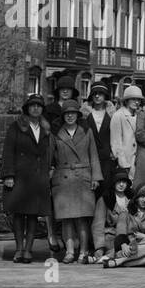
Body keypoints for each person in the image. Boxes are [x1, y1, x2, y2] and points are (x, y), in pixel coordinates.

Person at [1, 93, 54, 264]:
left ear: (42, 109)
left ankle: (28, 250)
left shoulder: (46, 129)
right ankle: (19, 249)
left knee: (33, 214)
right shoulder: (16, 127)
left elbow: (49, 151)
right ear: (27, 109)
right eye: (32, 106)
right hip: (21, 176)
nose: (35, 108)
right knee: (19, 214)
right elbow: (8, 151)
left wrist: (50, 167)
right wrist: (8, 175)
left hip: (39, 177)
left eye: (39, 106)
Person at [49, 100, 103, 264]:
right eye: (67, 113)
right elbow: (50, 157)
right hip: (63, 179)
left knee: (82, 219)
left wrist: (96, 177)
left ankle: (84, 251)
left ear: (78, 115)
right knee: (66, 219)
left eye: (73, 113)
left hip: (83, 178)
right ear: (63, 116)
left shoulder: (87, 132)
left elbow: (94, 155)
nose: (70, 116)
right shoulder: (56, 133)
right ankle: (70, 252)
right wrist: (49, 175)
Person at [102, 185, 145, 268]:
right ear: (136, 198)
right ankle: (121, 259)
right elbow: (120, 230)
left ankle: (121, 262)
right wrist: (123, 244)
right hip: (129, 246)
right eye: (142, 197)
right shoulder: (125, 212)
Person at [82, 82, 116, 188]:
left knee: (105, 188)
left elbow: (116, 135)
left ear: (105, 96)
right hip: (89, 157)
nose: (97, 96)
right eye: (94, 93)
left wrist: (114, 151)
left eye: (100, 94)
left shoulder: (112, 113)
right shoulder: (85, 113)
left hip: (107, 157)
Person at [110, 85, 143, 182]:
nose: (136, 102)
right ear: (127, 100)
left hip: (137, 159)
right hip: (125, 161)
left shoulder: (139, 115)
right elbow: (116, 142)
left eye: (138, 99)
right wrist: (123, 164)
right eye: (133, 99)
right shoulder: (118, 115)